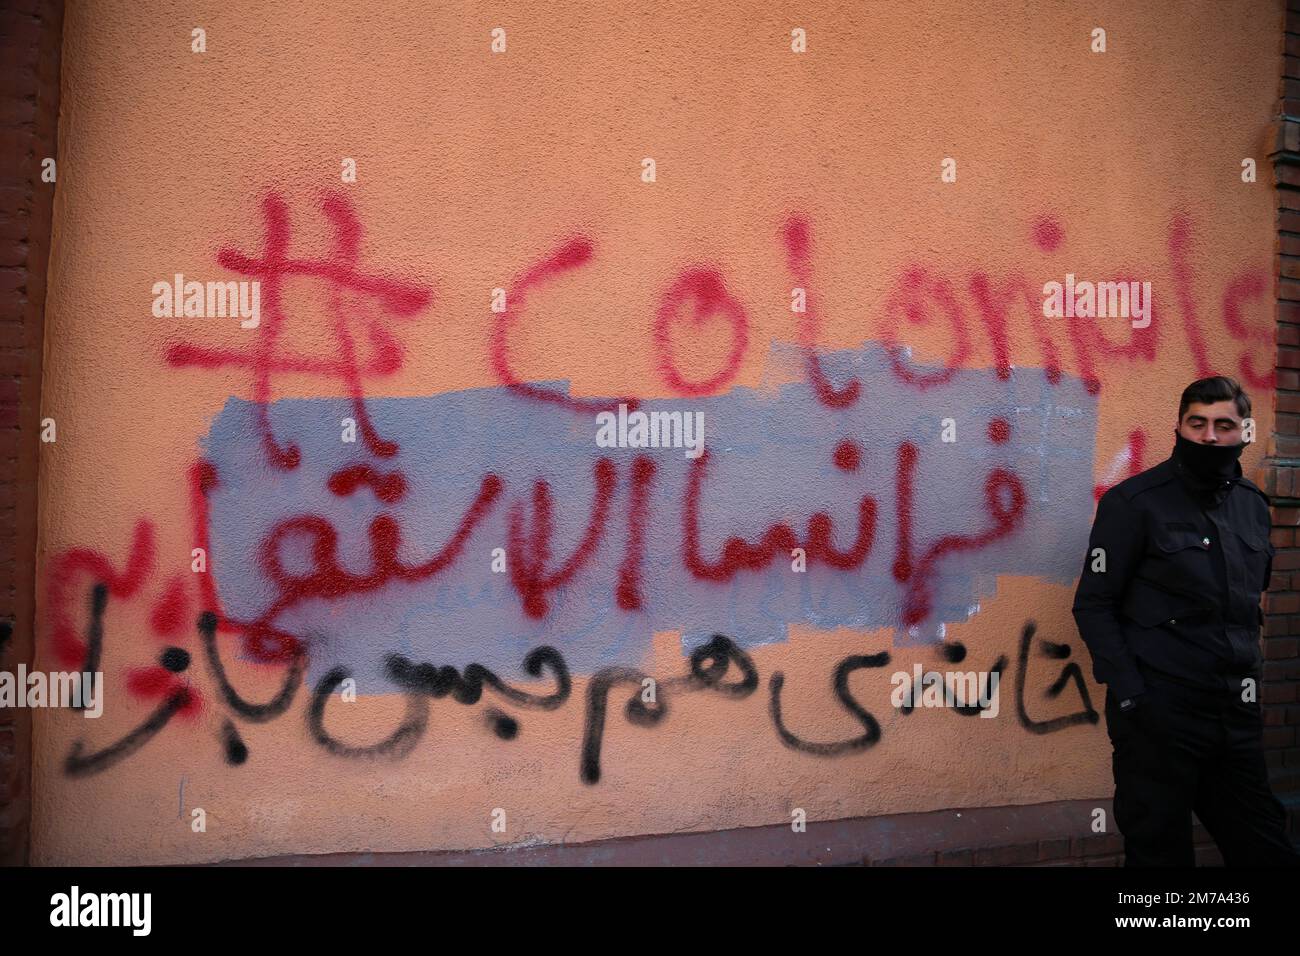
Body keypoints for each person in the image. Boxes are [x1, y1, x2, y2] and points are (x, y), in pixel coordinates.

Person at [1072, 375, 1299, 866]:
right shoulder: (1133, 504)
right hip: (1159, 718)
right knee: (1160, 859)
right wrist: (1133, 694)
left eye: (1223, 425)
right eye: (1197, 424)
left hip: (1233, 716)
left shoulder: (1253, 508)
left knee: (1265, 847)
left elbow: (1245, 608)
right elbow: (1093, 605)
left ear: (1245, 431)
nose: (1210, 437)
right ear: (1178, 427)